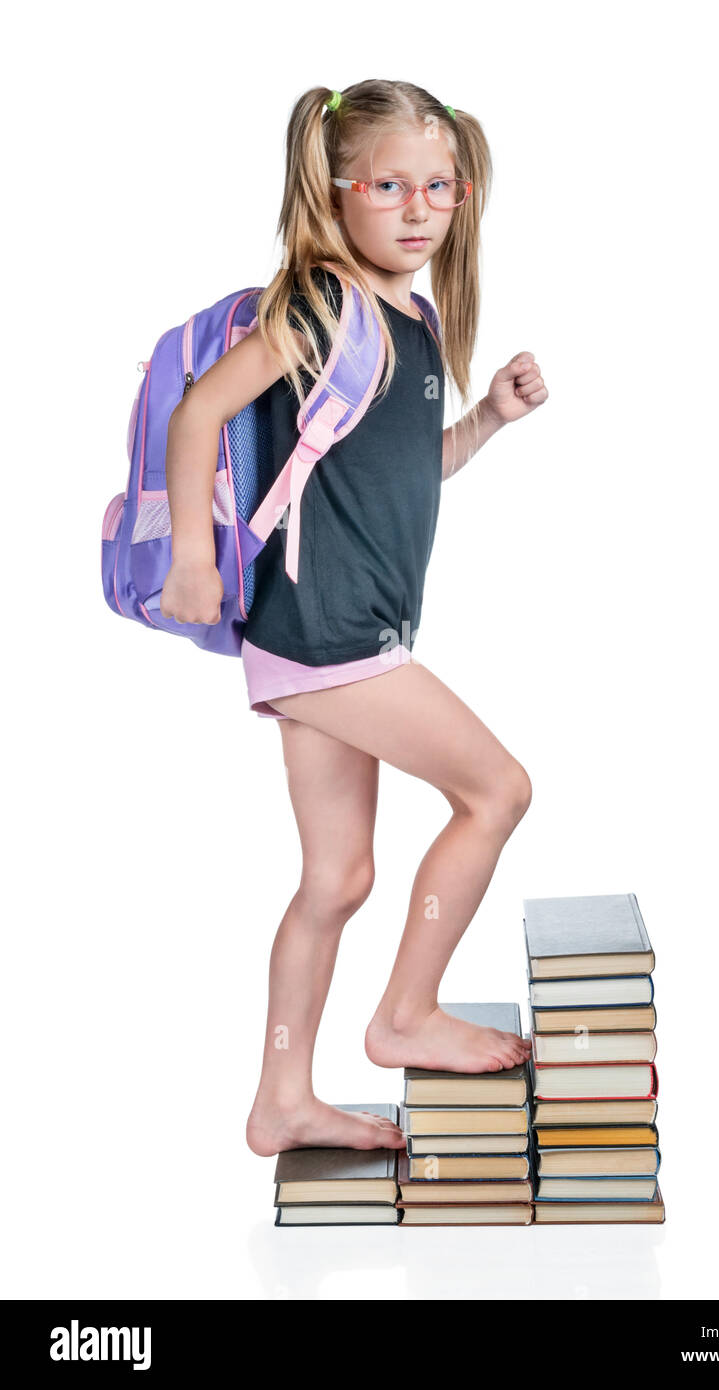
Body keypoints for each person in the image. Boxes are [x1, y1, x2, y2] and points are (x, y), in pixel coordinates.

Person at [160, 80, 548, 1158]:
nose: (418, 208)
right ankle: (404, 1015)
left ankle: (280, 1099)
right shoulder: (323, 304)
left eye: (439, 186)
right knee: (497, 789)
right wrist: (194, 555)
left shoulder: (409, 320)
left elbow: (402, 477)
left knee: (337, 878)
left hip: (332, 633)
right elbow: (201, 412)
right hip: (328, 631)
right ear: (335, 192)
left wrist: (486, 419)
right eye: (388, 185)